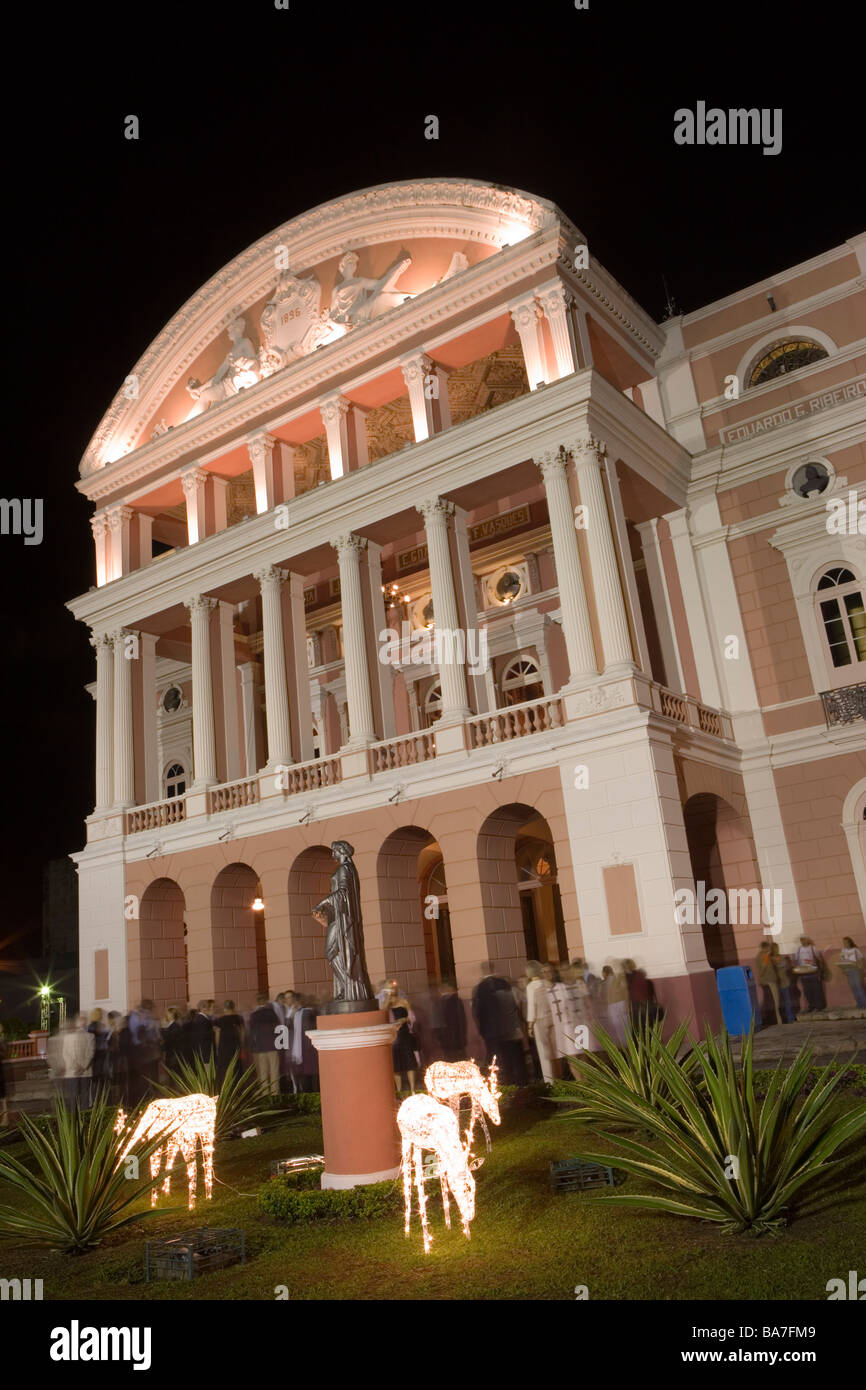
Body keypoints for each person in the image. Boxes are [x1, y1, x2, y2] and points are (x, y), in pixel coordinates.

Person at [471, 962, 514, 1072]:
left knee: (492, 1052)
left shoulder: (480, 987)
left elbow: (476, 1010)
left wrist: (479, 1026)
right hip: (506, 1025)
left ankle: (495, 1075)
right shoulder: (502, 983)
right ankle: (508, 1074)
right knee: (506, 1052)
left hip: (488, 1027)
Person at [542, 963, 574, 1079]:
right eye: (544, 972)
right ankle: (559, 1084)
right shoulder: (541, 990)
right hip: (552, 1028)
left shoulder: (562, 987)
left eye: (549, 971)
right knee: (555, 1058)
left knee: (572, 1056)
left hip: (566, 1026)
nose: (547, 974)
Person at [128, 1000, 162, 1105]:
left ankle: (145, 1099)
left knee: (144, 1078)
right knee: (149, 1077)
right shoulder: (144, 1017)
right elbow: (153, 1034)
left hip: (141, 1051)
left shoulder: (136, 1016)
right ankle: (149, 1099)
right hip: (146, 1051)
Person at [388, 986, 419, 1094]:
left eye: (392, 989)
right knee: (396, 1066)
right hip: (393, 1037)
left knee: (409, 1063)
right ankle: (399, 1091)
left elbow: (412, 1017)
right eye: (389, 990)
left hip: (404, 1035)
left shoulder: (403, 1001)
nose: (391, 992)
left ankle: (412, 1089)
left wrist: (404, 1019)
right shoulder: (385, 1004)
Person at [250, 992, 280, 1095]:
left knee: (263, 1073)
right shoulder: (271, 1013)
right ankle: (275, 1093)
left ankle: (265, 1094)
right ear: (266, 1001)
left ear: (258, 1002)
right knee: (274, 1071)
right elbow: (278, 1027)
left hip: (259, 1047)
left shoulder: (254, 1015)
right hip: (272, 1046)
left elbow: (252, 1031)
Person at [62, 1015, 95, 1108]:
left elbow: (65, 1054)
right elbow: (90, 1053)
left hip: (72, 1071)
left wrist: (75, 1066)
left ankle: (73, 1117)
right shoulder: (90, 1036)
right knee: (85, 1095)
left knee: (73, 1096)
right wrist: (83, 1066)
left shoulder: (67, 1037)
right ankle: (84, 1117)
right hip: (86, 1071)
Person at [432, 979, 467, 1062]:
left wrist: (438, 1037)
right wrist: (463, 1036)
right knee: (460, 1060)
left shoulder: (437, 1004)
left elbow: (437, 1023)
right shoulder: (457, 1001)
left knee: (449, 1059)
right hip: (458, 1038)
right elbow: (462, 1021)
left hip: (445, 1039)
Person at [214, 1000, 244, 1087]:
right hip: (235, 1046)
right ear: (233, 1007)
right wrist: (241, 1042)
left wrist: (217, 1047)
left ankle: (226, 1086)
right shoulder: (238, 1018)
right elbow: (242, 1031)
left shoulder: (220, 1020)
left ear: (224, 1009)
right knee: (236, 1067)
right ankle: (237, 1086)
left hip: (224, 1048)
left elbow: (217, 1034)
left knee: (225, 1068)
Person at [794, 936, 827, 1013]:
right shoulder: (798, 950)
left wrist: (820, 968)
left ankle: (819, 1006)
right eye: (801, 940)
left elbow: (819, 958)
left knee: (816, 990)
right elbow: (796, 961)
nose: (803, 942)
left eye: (804, 940)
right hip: (804, 974)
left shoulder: (812, 948)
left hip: (813, 972)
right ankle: (811, 1005)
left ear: (807, 940)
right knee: (807, 991)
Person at [754, 940, 783, 1025]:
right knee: (775, 1002)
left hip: (765, 981)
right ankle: (778, 1021)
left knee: (769, 1001)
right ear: (766, 947)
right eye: (768, 947)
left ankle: (773, 1020)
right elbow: (762, 969)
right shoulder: (764, 956)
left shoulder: (759, 956)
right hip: (770, 981)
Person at [604, 962, 630, 1043]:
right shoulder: (607, 981)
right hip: (614, 1005)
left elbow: (625, 990)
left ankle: (628, 1047)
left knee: (623, 1028)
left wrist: (626, 1004)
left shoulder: (619, 978)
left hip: (619, 1004)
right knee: (620, 1028)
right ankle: (625, 1046)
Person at [87, 1008, 108, 1102]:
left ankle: (97, 1100)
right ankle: (99, 1100)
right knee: (99, 1078)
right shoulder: (96, 1026)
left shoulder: (92, 1026)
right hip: (99, 1053)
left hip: (98, 1053)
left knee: (97, 1079)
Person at [770, 944, 795, 1022]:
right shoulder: (771, 959)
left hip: (784, 982)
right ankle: (784, 1018)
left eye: (777, 948)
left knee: (787, 1000)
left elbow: (786, 966)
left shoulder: (781, 957)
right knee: (779, 1002)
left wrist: (787, 964)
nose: (777, 950)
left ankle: (789, 1018)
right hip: (776, 983)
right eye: (775, 948)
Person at [838, 937, 866, 1007]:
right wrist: (842, 969)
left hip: (855, 970)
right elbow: (842, 959)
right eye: (843, 942)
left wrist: (861, 966)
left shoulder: (855, 950)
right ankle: (859, 1003)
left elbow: (862, 959)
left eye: (846, 942)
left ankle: (864, 1003)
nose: (844, 944)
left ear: (850, 942)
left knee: (858, 986)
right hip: (848, 971)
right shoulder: (843, 950)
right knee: (853, 987)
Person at [186, 1001, 215, 1065]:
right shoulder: (202, 1020)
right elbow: (203, 1036)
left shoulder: (201, 1018)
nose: (212, 1009)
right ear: (203, 1008)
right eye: (210, 1007)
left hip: (203, 1051)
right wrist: (214, 1032)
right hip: (205, 1052)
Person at [161, 1007, 185, 1073]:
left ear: (171, 1015)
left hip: (174, 1056)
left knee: (173, 1075)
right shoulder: (173, 1026)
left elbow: (169, 1040)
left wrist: (162, 1030)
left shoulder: (175, 1027)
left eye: (167, 1014)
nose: (165, 1015)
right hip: (173, 1055)